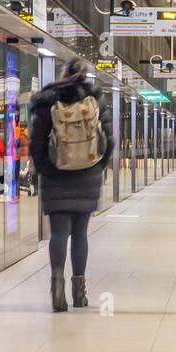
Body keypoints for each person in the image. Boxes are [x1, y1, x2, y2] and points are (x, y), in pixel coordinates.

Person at [29, 59, 114, 311]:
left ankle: (57, 288)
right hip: (87, 174)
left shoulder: (47, 100)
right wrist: (98, 166)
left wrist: (46, 169)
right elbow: (109, 139)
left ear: (63, 73)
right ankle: (79, 293)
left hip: (56, 176)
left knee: (58, 233)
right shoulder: (95, 99)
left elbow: (36, 143)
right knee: (80, 234)